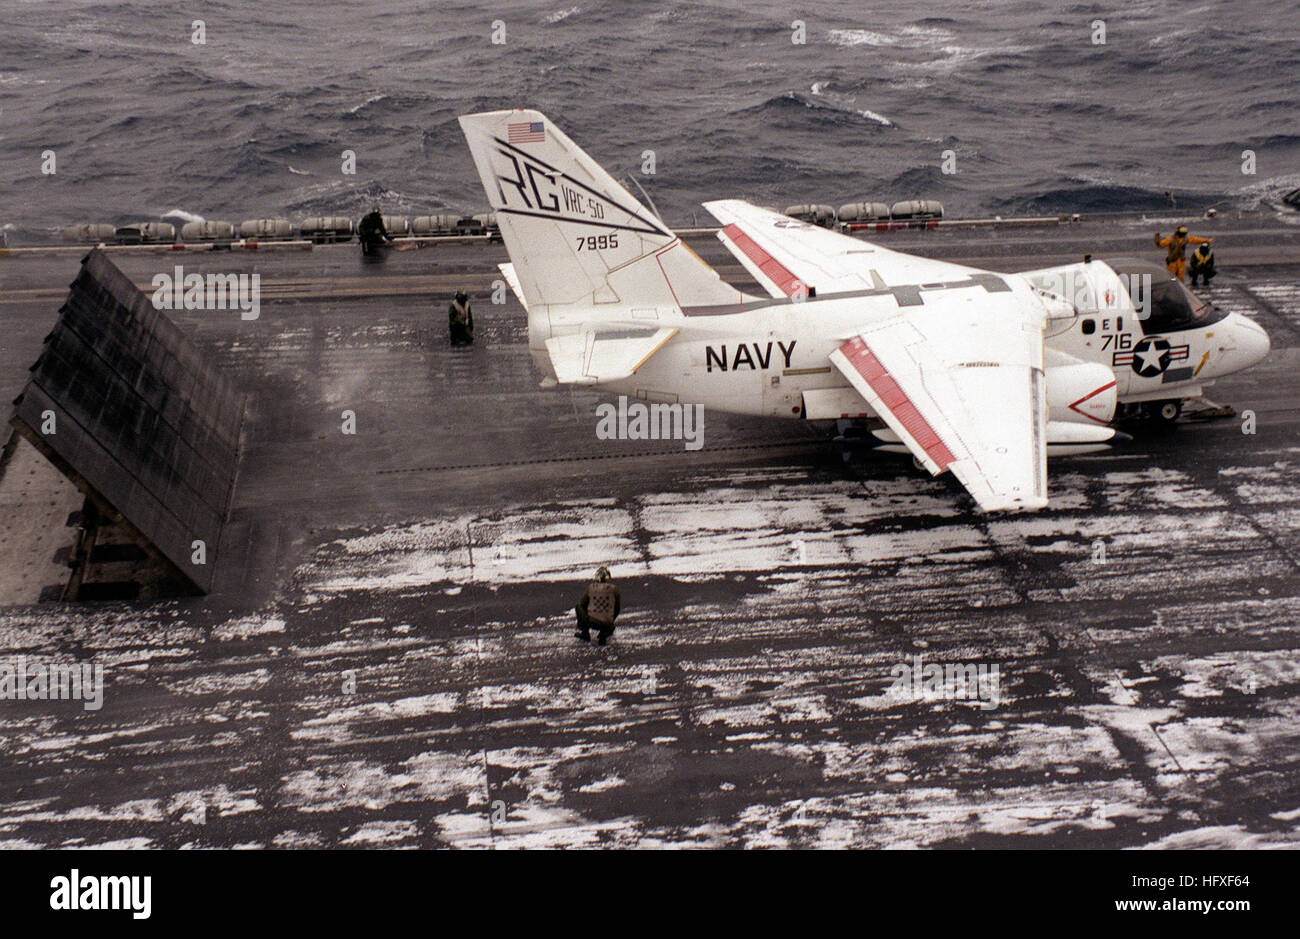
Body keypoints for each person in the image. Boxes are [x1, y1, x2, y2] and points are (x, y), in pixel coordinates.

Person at [575, 566, 621, 646]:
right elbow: (617, 609)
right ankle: (604, 633)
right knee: (608, 621)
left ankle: (585, 633)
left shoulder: (591, 587)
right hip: (608, 624)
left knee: (578, 607)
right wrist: (610, 621)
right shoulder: (614, 589)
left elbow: (582, 604)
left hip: (592, 622)